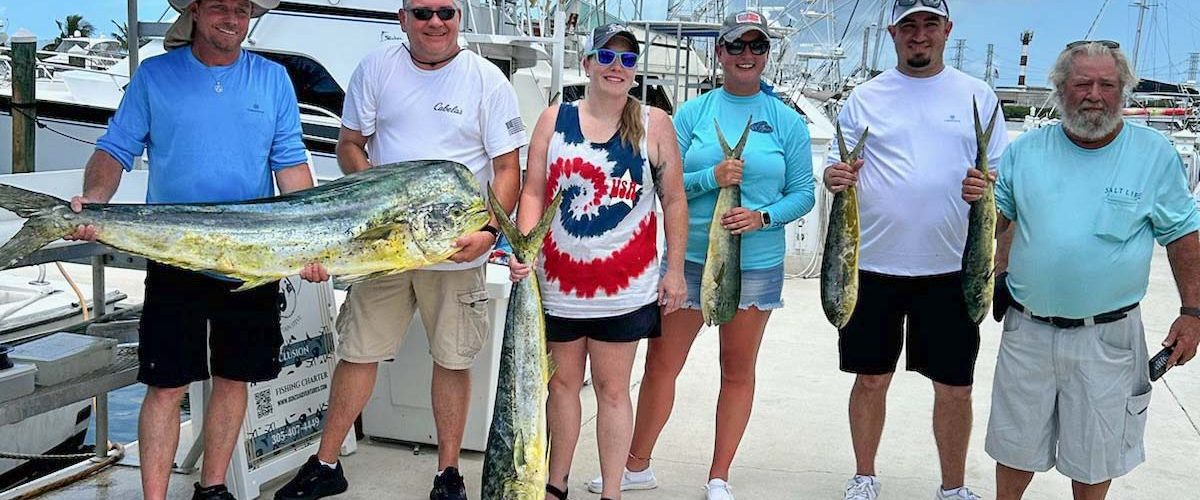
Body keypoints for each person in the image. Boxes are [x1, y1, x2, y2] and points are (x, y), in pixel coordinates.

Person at [66, 1, 324, 499]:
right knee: (166, 383)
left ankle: (213, 489)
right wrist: (93, 203)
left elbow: (291, 164)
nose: (232, 18)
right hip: (175, 254)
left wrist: (313, 242)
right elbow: (116, 148)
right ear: (198, 11)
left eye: (242, 9)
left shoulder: (272, 79)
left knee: (235, 376)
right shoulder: (154, 76)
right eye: (221, 6)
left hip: (253, 255)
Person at [273, 0, 526, 498]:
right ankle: (326, 464)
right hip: (382, 244)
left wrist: (490, 232)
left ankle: (447, 473)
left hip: (456, 246)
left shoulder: (487, 80)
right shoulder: (376, 67)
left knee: (453, 359)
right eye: (424, 12)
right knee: (358, 351)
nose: (436, 22)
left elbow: (506, 171)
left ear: (460, 19)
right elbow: (350, 145)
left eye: (447, 12)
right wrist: (375, 197)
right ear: (403, 18)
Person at [962, 41, 1200, 500]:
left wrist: (1193, 312)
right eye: (1082, 84)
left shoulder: (1154, 155)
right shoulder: (1023, 152)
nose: (1095, 94)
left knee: (1095, 458)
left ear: (1123, 91)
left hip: (1108, 338)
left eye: (1107, 85)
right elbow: (1000, 225)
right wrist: (979, 200)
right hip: (1028, 331)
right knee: (1013, 450)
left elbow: (1183, 238)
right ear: (1060, 90)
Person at [594, 10, 815, 500]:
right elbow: (666, 184)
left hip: (753, 264)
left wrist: (763, 217)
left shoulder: (788, 122)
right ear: (720, 53)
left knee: (736, 370)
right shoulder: (692, 114)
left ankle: (719, 476)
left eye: (756, 47)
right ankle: (636, 465)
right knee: (661, 365)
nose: (746, 55)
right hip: (688, 259)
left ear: (766, 55)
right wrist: (709, 179)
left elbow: (803, 192)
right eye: (736, 46)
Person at [822, 1, 1007, 499]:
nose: (919, 35)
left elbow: (1002, 182)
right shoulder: (864, 96)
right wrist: (832, 177)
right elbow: (836, 171)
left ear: (947, 30)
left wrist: (987, 189)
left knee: (955, 387)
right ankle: (864, 476)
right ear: (892, 33)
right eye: (909, 25)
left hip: (953, 268)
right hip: (870, 267)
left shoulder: (978, 95)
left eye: (929, 24)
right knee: (870, 379)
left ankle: (953, 487)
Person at [506, 24, 688, 500]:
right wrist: (523, 247)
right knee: (561, 387)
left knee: (612, 391)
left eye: (627, 60)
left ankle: (612, 492)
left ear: (635, 71)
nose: (616, 67)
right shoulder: (554, 117)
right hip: (558, 284)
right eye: (606, 56)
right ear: (586, 63)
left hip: (624, 289)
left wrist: (673, 271)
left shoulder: (655, 123)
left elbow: (673, 201)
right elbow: (532, 190)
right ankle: (555, 484)